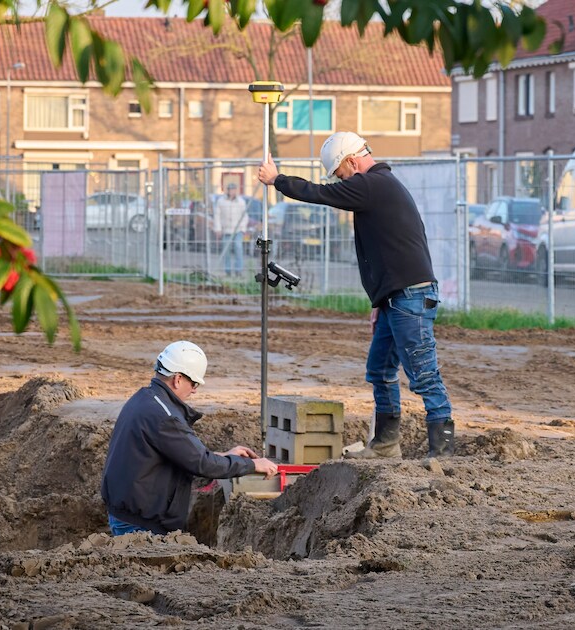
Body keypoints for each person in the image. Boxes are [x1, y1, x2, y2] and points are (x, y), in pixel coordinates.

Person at [257, 132, 455, 459]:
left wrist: (278, 180)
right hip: (396, 297)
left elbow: (319, 193)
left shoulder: (372, 184)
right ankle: (386, 444)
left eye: (340, 174)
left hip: (410, 297)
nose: (341, 181)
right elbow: (391, 250)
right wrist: (380, 300)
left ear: (351, 161)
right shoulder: (379, 187)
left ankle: (443, 450)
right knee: (379, 369)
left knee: (423, 373)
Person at [101, 341, 278, 535]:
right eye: (194, 383)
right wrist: (253, 465)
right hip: (140, 524)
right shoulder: (165, 417)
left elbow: (181, 454)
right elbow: (202, 464)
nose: (194, 390)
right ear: (178, 379)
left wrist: (224, 456)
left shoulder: (145, 399)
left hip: (127, 514)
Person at [212, 183, 249, 276]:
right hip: (226, 230)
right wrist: (218, 229)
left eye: (233, 189)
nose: (231, 191)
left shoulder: (241, 202)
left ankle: (238, 270)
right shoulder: (221, 201)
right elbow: (217, 216)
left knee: (238, 248)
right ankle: (227, 271)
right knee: (226, 251)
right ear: (227, 190)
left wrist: (243, 228)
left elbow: (244, 216)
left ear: (235, 190)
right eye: (229, 189)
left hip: (238, 230)